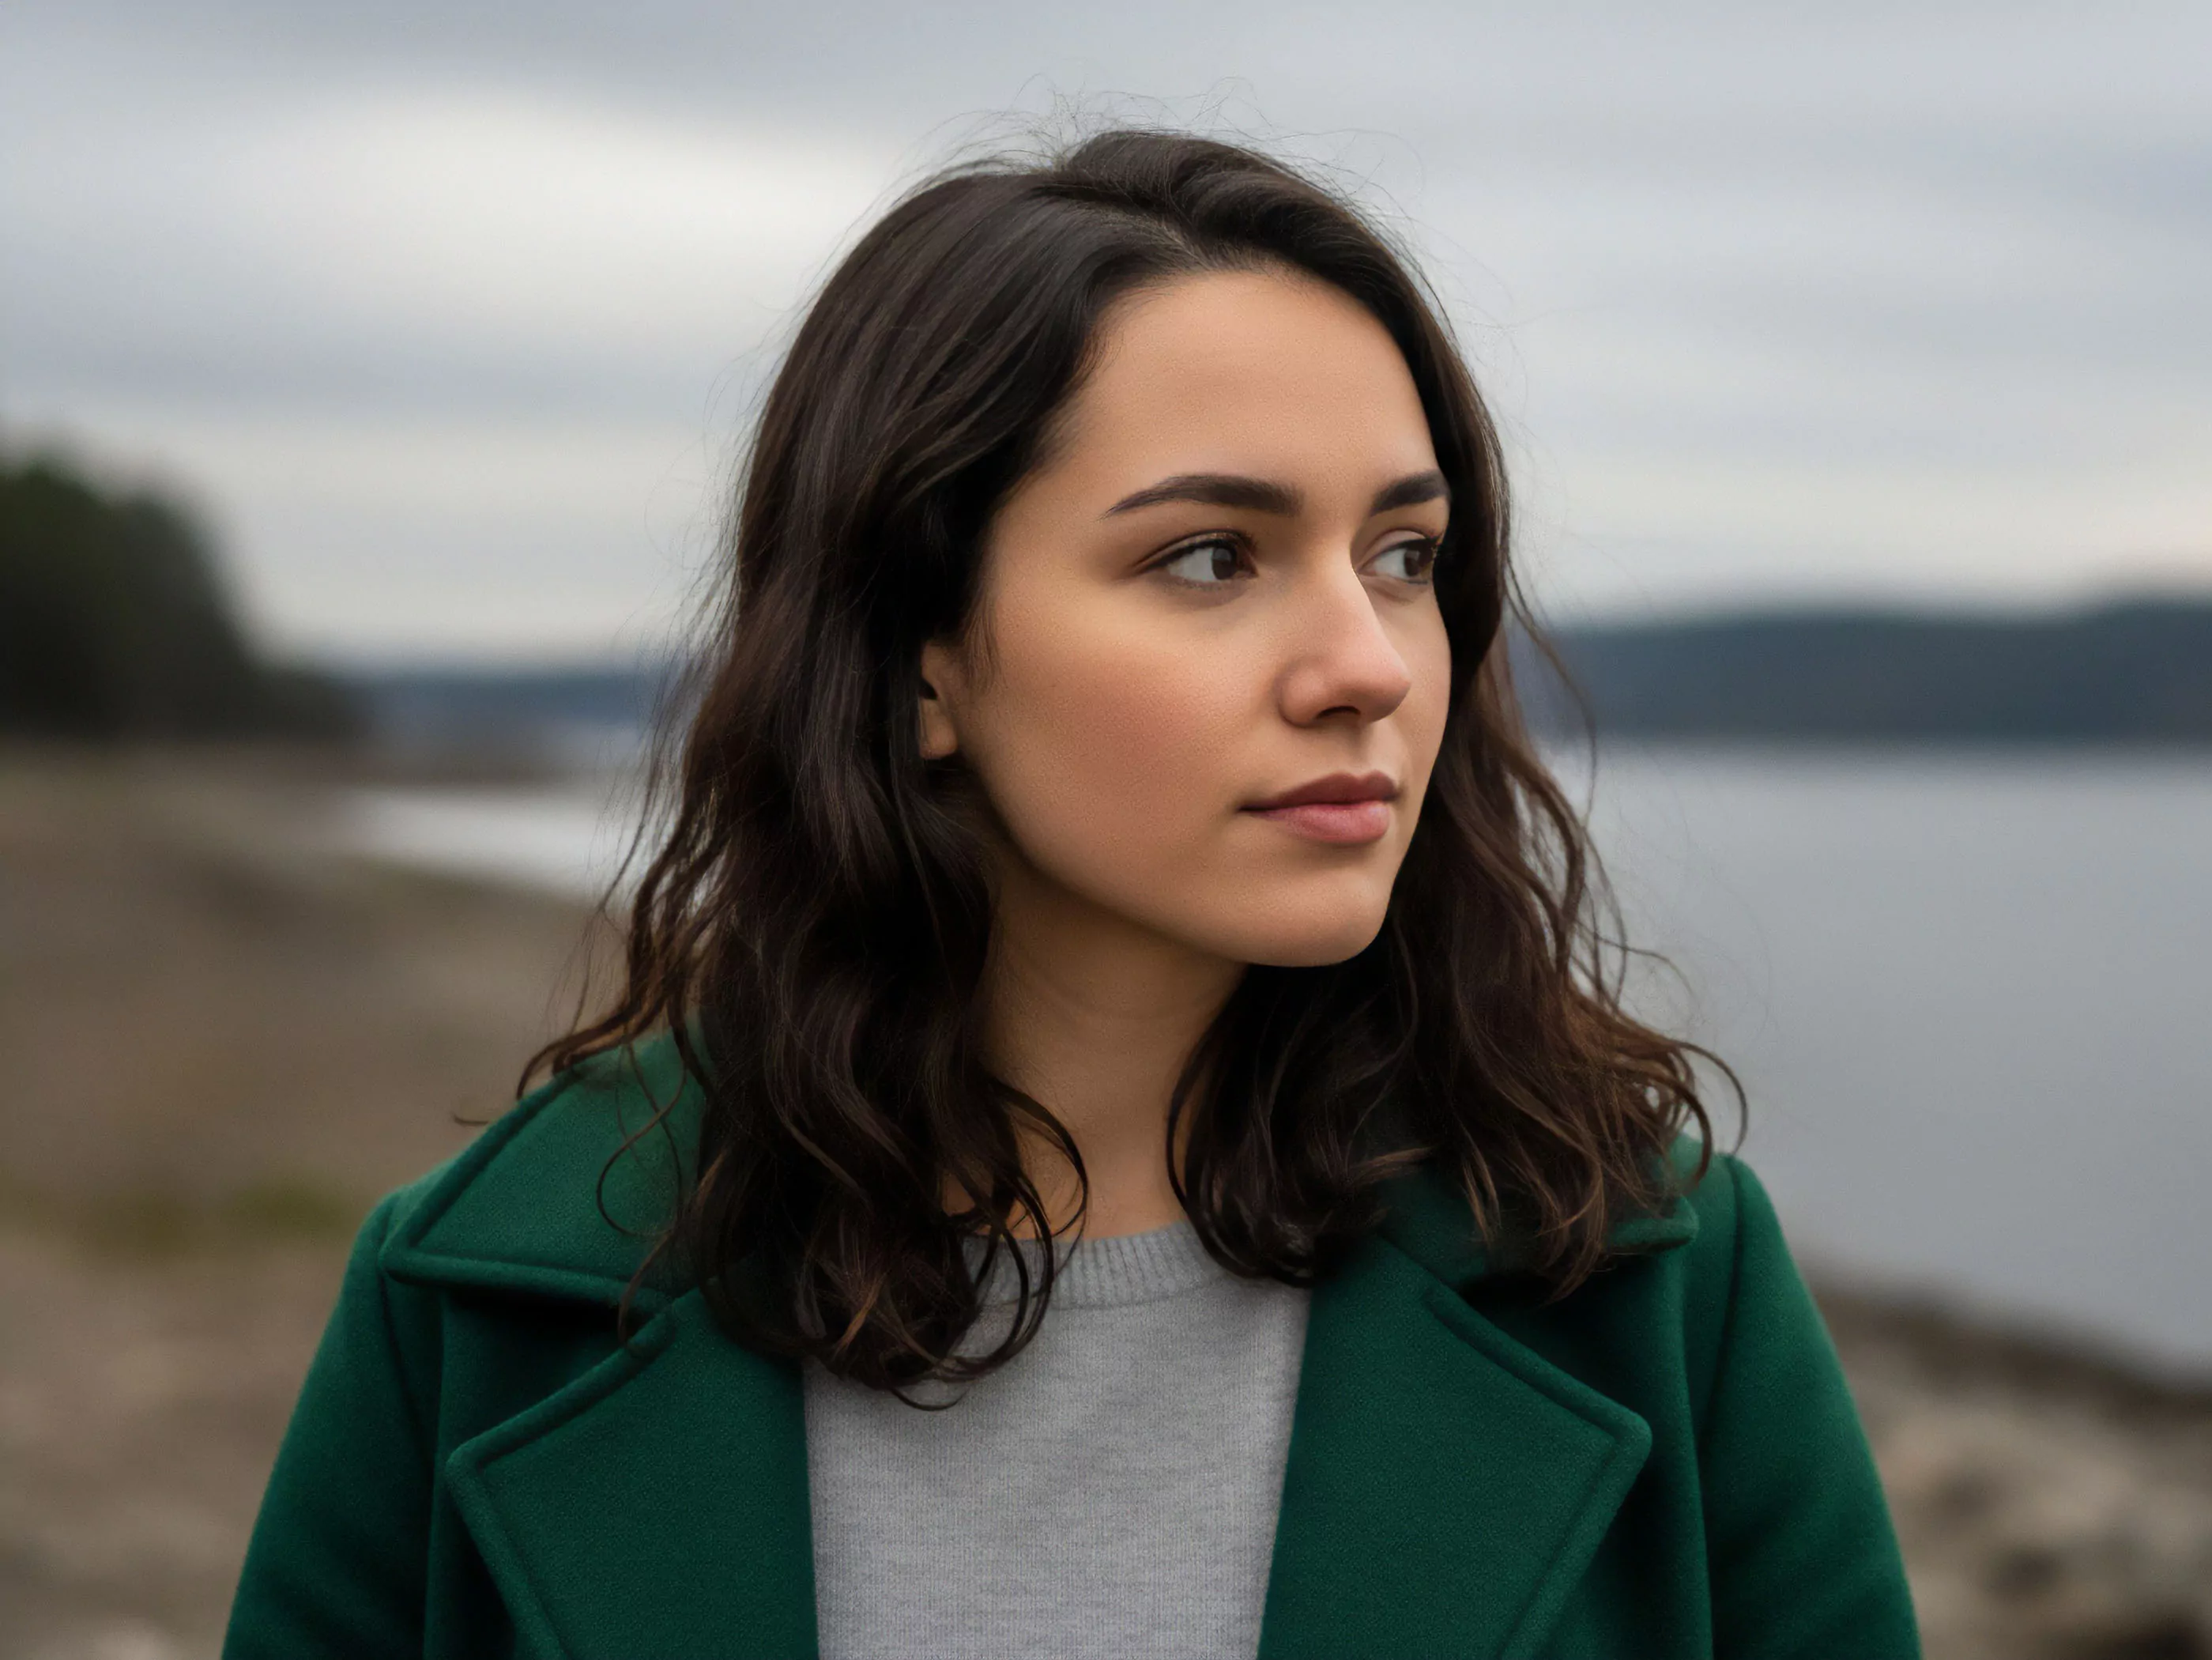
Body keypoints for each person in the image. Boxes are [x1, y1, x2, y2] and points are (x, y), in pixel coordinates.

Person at [221, 128, 1918, 1660]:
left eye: (1403, 557)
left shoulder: (1646, 1287)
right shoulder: (481, 1312)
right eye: (1210, 558)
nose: (1366, 666)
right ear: (919, 658)